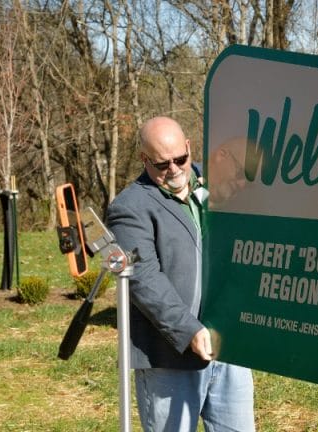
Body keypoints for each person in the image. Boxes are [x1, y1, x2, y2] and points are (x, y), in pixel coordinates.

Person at [107, 116, 255, 431]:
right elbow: (143, 278)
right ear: (144, 159)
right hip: (169, 360)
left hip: (228, 350)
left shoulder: (213, 181)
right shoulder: (130, 207)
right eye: (162, 164)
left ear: (189, 148)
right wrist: (189, 331)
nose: (174, 170)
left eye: (181, 159)